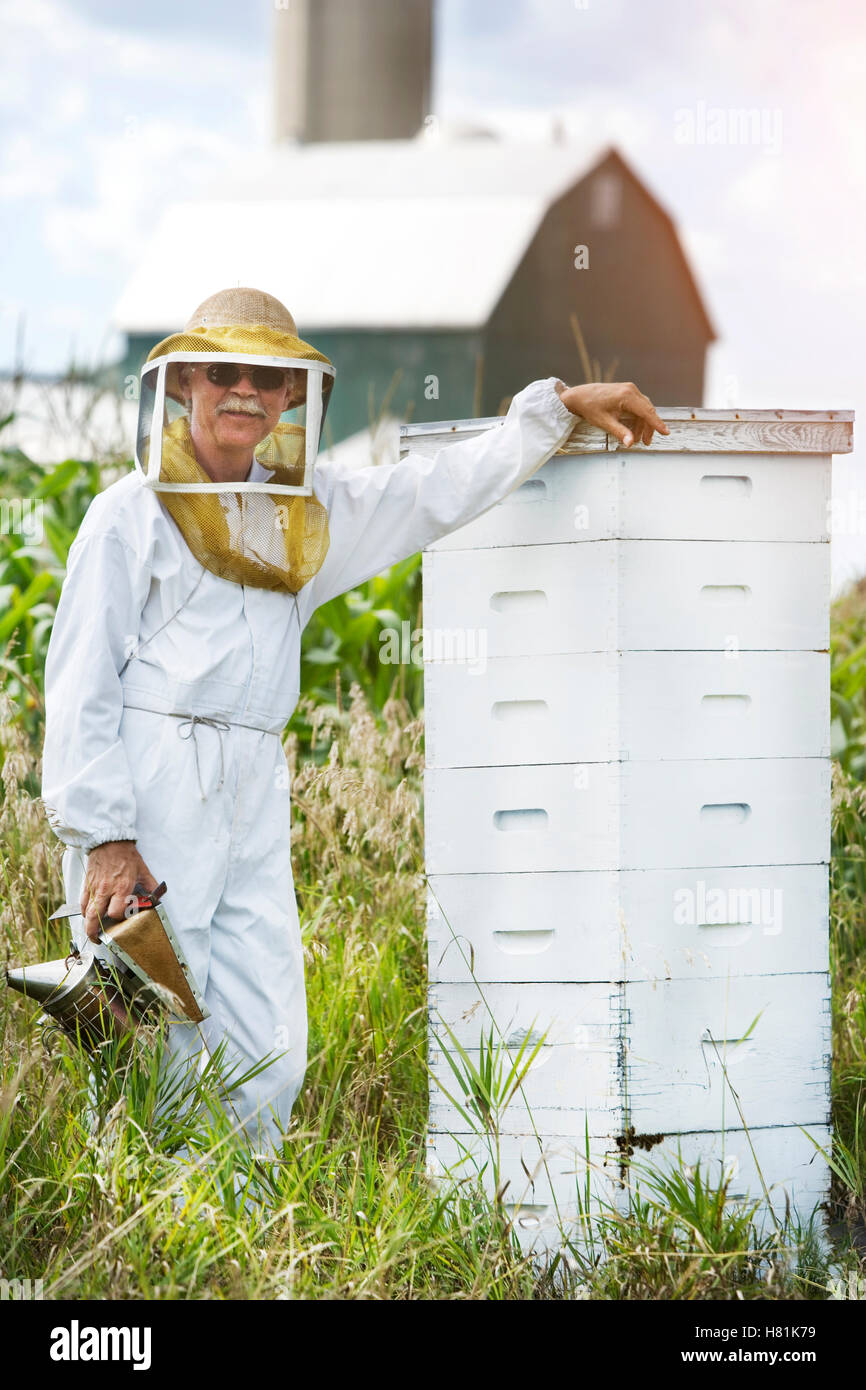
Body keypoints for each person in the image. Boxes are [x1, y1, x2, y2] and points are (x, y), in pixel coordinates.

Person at [40, 287, 668, 1158]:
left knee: (264, 1033)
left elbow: (430, 489)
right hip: (152, 782)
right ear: (183, 382)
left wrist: (552, 412)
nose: (243, 394)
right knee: (147, 1023)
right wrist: (105, 836)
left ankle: (236, 1230)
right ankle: (142, 1234)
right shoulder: (127, 515)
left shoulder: (310, 514)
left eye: (267, 379)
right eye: (223, 373)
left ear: (293, 397)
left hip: (253, 784)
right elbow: (78, 687)